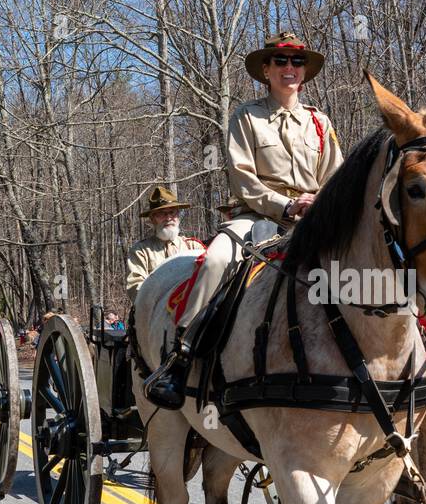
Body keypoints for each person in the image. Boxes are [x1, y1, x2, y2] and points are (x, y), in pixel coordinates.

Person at [143, 30, 344, 408]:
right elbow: (242, 178)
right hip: (256, 216)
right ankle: (181, 357)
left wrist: (318, 203)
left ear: (305, 71)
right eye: (280, 61)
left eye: (297, 61)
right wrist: (286, 206)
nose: (290, 68)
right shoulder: (247, 117)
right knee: (217, 260)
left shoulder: (320, 123)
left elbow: (337, 176)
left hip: (315, 219)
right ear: (266, 70)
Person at [125, 186, 205, 297]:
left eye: (172, 212)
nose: (168, 218)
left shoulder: (194, 247)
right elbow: (135, 288)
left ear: (178, 216)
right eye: (162, 213)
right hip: (154, 311)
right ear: (153, 219)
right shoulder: (141, 251)